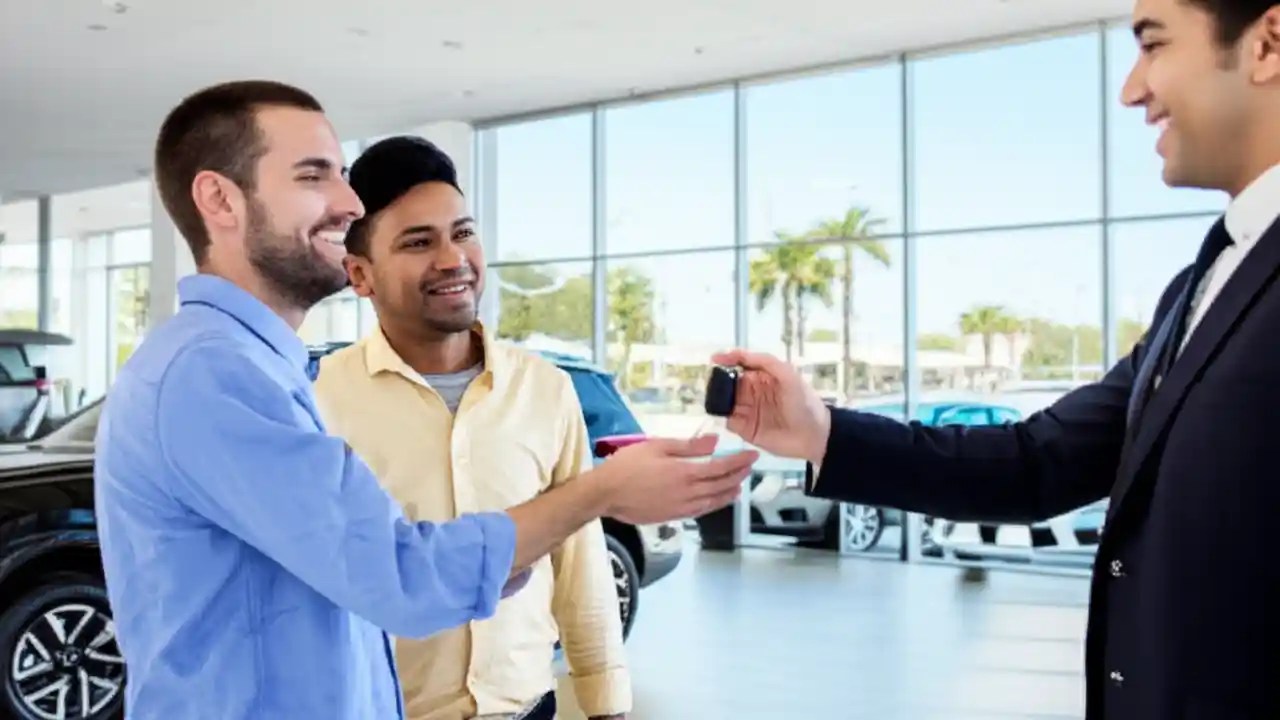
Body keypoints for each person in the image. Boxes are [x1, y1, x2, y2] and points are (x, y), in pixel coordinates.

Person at [93, 80, 757, 720]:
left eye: (341, 175)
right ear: (220, 199)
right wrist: (602, 492)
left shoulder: (259, 369)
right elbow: (399, 575)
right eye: (313, 175)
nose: (347, 203)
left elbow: (356, 573)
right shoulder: (214, 374)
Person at [713, 0, 1280, 717]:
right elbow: (1038, 462)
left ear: (1267, 44)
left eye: (1154, 45)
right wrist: (819, 430)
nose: (1131, 89)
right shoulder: (1198, 286)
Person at [311, 135, 630, 720]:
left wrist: (606, 702)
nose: (452, 258)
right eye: (418, 242)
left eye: (462, 233)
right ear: (359, 274)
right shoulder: (320, 401)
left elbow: (579, 563)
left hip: (528, 708)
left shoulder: (546, 390)